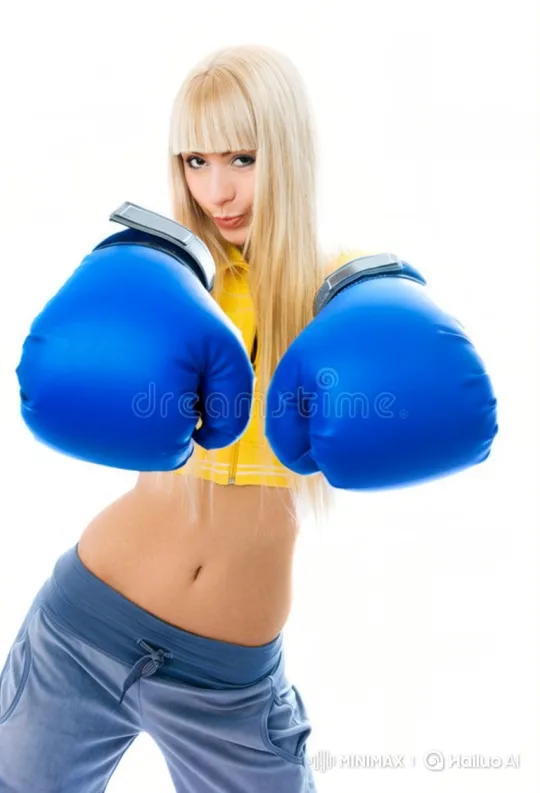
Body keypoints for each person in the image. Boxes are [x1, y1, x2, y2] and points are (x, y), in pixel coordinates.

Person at [0, 43, 497, 793]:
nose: (217, 189)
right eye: (195, 161)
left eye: (242, 157)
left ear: (288, 152)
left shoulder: (343, 294)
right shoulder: (169, 278)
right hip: (83, 628)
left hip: (227, 683)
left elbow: (440, 403)